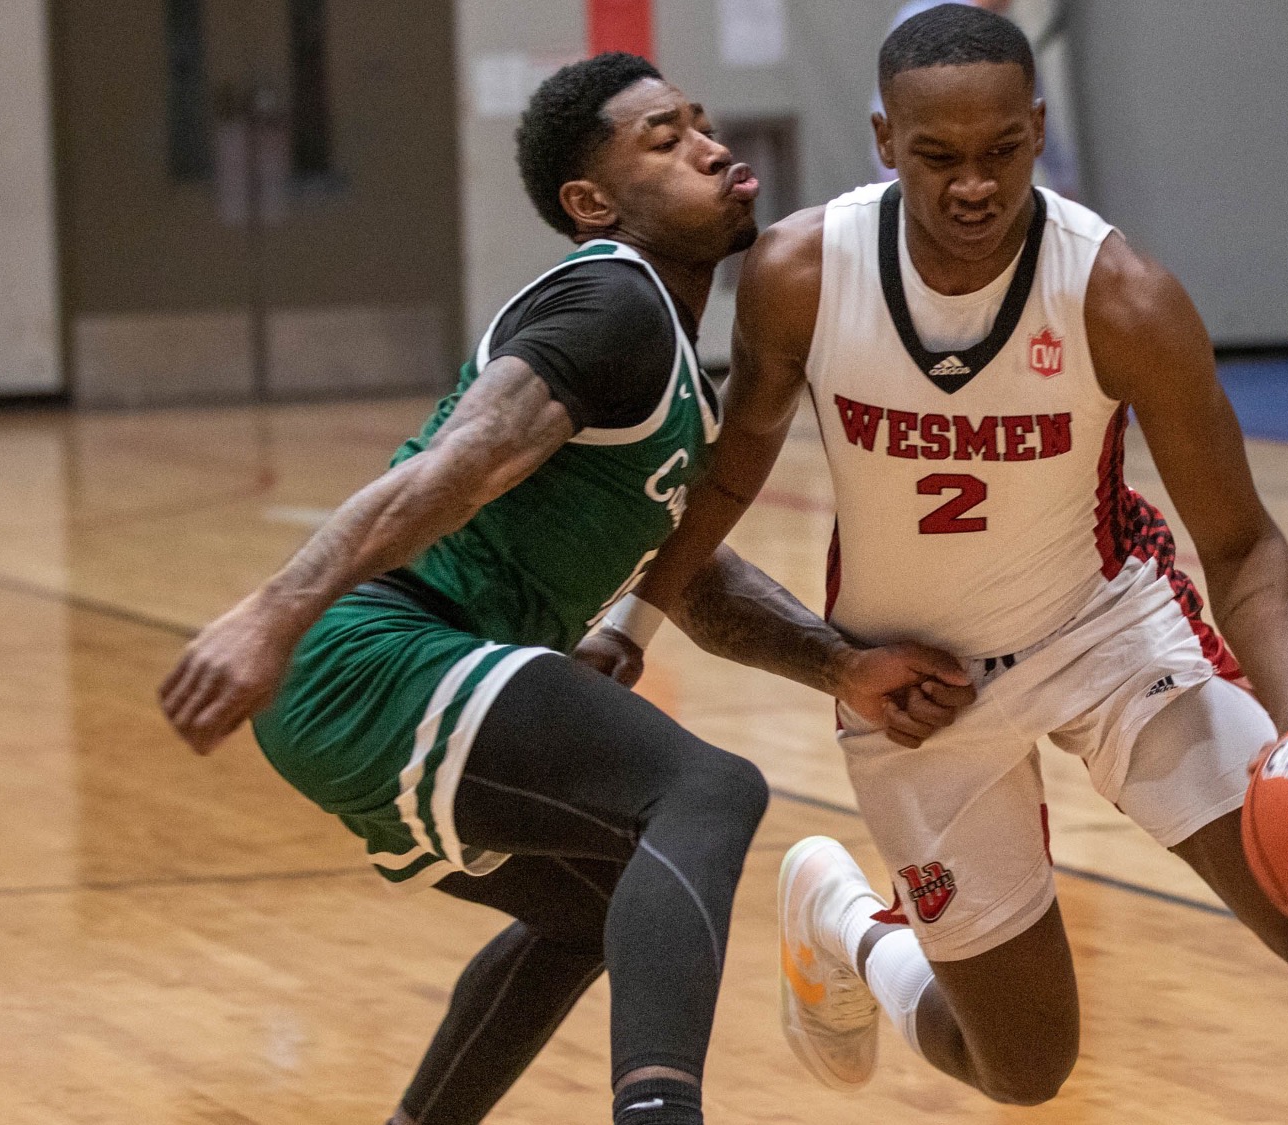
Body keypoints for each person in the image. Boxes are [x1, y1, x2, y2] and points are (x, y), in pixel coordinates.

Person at [591, 9, 1288, 1121]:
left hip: (1108, 636)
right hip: (911, 682)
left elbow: (1239, 542)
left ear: (1037, 130)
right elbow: (729, 473)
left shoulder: (1119, 294)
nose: (972, 187)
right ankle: (850, 926)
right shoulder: (804, 271)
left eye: (1001, 151)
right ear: (883, 139)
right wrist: (631, 624)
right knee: (1024, 1067)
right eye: (937, 157)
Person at [158, 53, 971, 1125]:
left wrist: (838, 665)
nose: (710, 147)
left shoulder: (666, 355)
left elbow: (692, 575)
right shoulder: (614, 299)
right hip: (377, 651)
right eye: (663, 139)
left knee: (597, 907)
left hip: (385, 672)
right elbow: (462, 462)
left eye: (701, 123)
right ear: (593, 203)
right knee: (706, 794)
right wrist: (273, 612)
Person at [871, 0, 1079, 197]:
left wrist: (1063, 183)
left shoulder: (1011, 40)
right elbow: (893, 108)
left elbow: (1036, 114)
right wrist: (894, 184)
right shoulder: (921, 22)